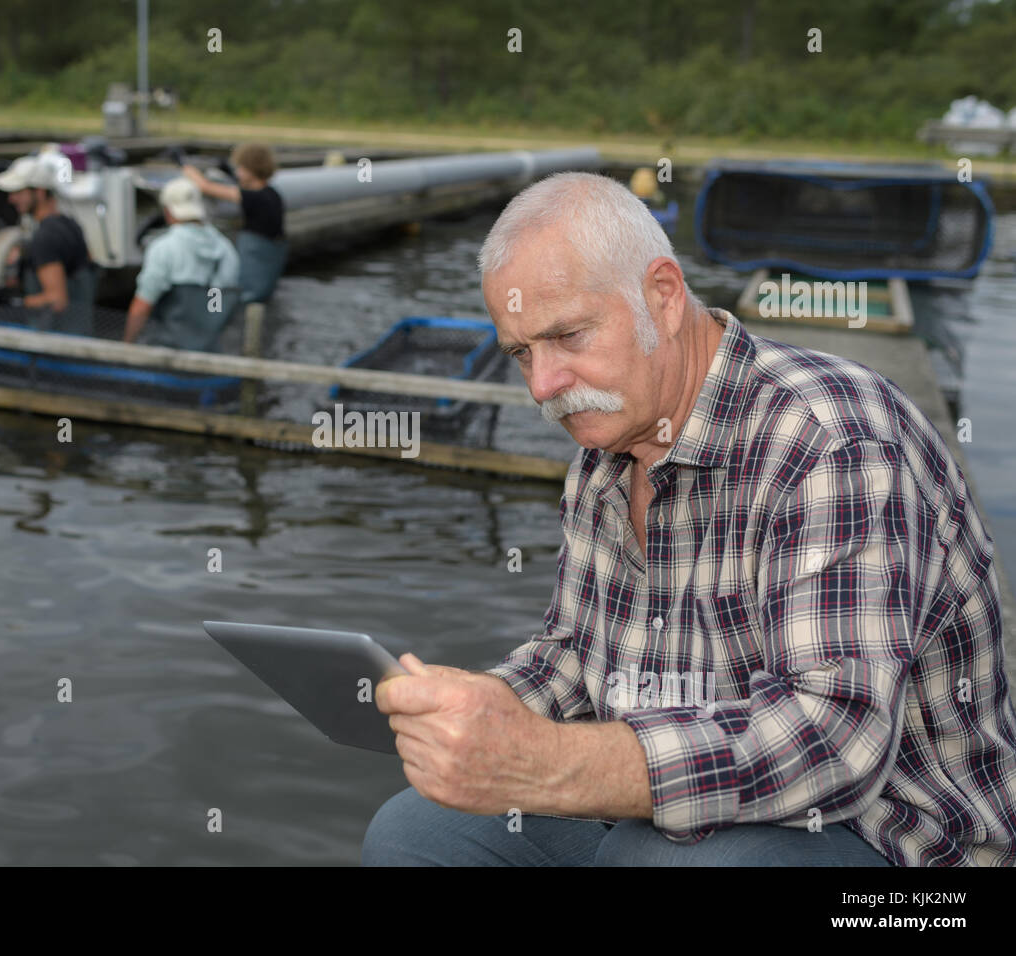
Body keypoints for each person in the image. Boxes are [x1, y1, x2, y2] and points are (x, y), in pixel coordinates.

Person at [363, 171, 1016, 867]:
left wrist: (549, 762)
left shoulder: (833, 440)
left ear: (664, 297)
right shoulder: (607, 448)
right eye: (523, 352)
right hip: (683, 813)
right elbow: (578, 660)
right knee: (413, 831)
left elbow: (834, 739)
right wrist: (476, 708)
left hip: (888, 842)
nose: (543, 384)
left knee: (656, 863)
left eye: (568, 336)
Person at [124, 177, 241, 351]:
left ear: (168, 212)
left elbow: (143, 305)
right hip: (211, 351)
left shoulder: (163, 248)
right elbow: (215, 307)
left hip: (168, 352)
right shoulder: (226, 248)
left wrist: (127, 345)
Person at [0, 155, 95, 336]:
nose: (11, 199)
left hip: (56, 343)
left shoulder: (44, 237)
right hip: (81, 332)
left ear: (39, 192)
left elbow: (57, 301)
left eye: (18, 192)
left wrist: (15, 302)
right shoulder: (71, 224)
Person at [181, 143, 286, 304]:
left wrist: (186, 167)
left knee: (241, 296)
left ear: (251, 170)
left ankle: (216, 310)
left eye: (240, 169)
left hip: (255, 260)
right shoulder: (272, 194)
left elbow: (206, 187)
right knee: (258, 299)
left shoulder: (253, 198)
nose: (237, 173)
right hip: (269, 268)